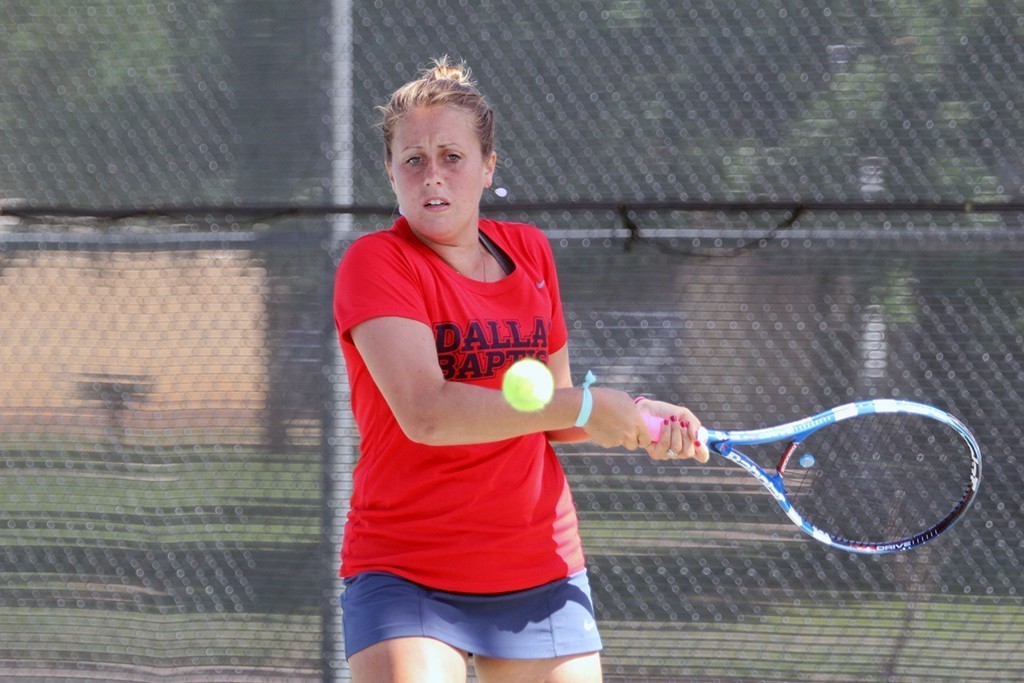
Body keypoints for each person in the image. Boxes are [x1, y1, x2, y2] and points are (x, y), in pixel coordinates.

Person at [333, 56, 709, 683]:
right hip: (407, 568)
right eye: (413, 159)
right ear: (391, 172)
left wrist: (639, 416)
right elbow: (426, 414)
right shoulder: (376, 264)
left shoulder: (529, 250)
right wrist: (585, 405)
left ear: (488, 167)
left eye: (453, 156)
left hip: (539, 565)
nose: (433, 176)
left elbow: (556, 416)